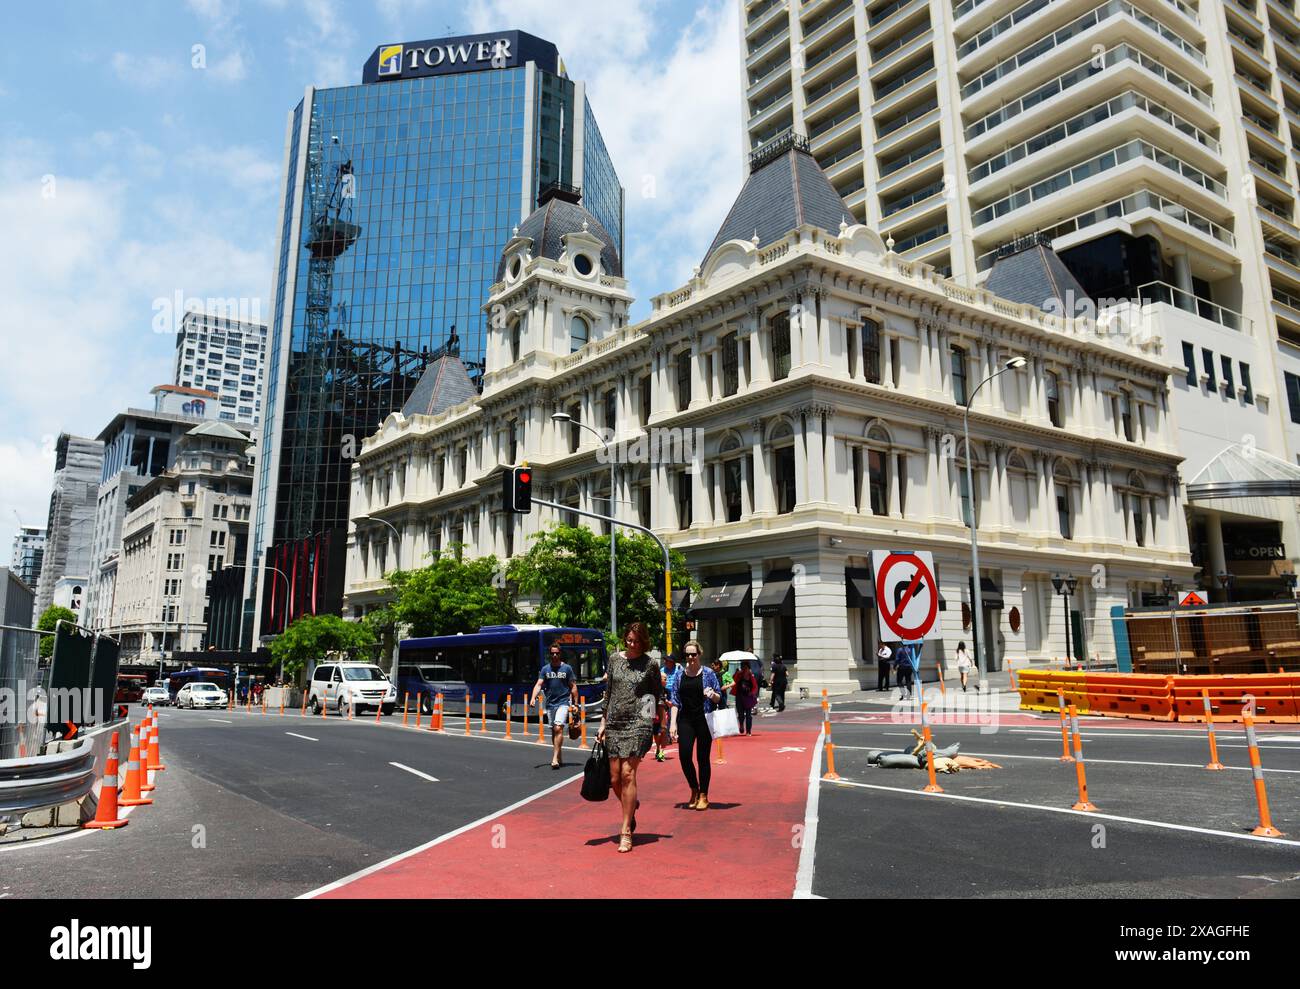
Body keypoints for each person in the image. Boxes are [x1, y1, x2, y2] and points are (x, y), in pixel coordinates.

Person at [596, 623, 662, 853]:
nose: (632, 645)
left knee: (627, 774)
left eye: (636, 641)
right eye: (629, 640)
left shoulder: (650, 664)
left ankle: (625, 831)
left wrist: (653, 724)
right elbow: (609, 693)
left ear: (643, 642)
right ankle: (632, 805)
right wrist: (603, 724)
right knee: (614, 779)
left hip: (638, 724)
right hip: (614, 723)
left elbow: (654, 695)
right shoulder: (614, 660)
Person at [669, 641, 722, 810]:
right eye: (687, 655)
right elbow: (675, 701)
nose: (691, 658)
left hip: (704, 720)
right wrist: (672, 724)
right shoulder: (679, 675)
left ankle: (704, 795)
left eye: (694, 654)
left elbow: (719, 697)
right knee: (684, 756)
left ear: (699, 654)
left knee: (702, 758)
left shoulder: (708, 673)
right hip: (685, 720)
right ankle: (694, 789)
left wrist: (712, 694)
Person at [531, 644, 579, 769]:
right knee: (554, 730)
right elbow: (538, 684)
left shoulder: (567, 668)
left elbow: (573, 686)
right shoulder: (545, 669)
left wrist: (575, 704)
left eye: (557, 653)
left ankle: (554, 759)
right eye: (552, 653)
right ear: (549, 654)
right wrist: (532, 698)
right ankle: (559, 755)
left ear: (560, 654)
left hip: (563, 702)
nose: (554, 655)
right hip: (550, 704)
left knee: (558, 728)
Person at [655, 652, 683, 762]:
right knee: (665, 718)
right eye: (665, 660)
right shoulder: (662, 670)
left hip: (676, 694)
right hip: (664, 695)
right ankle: (668, 735)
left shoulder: (679, 670)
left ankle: (674, 732)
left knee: (675, 715)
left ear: (673, 662)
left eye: (668, 660)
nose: (666, 662)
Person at [732, 660, 759, 735]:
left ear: (748, 667)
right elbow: (733, 681)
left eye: (745, 666)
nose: (743, 668)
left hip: (748, 697)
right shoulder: (739, 674)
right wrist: (735, 674)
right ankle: (741, 725)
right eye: (742, 666)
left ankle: (748, 731)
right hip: (739, 696)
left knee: (748, 715)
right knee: (740, 713)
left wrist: (752, 693)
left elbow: (755, 687)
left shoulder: (751, 675)